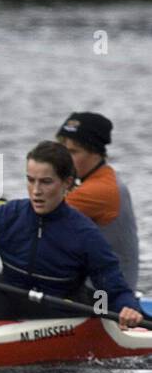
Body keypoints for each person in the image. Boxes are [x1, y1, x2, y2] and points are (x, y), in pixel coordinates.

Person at [0, 140, 143, 328]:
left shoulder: (85, 234)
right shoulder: (8, 215)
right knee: (1, 289)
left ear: (67, 183)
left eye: (46, 182)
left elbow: (116, 289)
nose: (36, 191)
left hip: (61, 310)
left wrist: (128, 307)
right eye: (31, 180)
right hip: (10, 296)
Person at [56, 111, 139, 291]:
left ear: (95, 153)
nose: (62, 159)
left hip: (104, 300)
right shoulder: (105, 177)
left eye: (72, 152)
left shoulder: (98, 191)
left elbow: (28, 220)